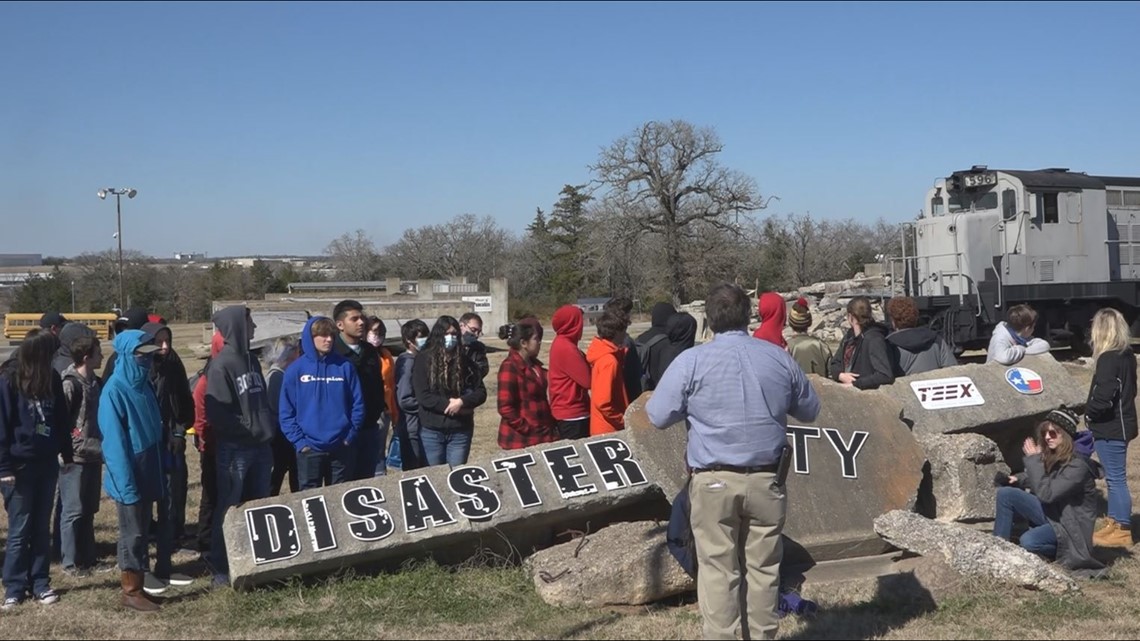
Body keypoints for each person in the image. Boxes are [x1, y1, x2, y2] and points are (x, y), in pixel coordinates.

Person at [647, 283, 820, 640]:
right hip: (766, 480)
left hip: (713, 481)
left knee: (717, 571)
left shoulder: (691, 361)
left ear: (708, 320)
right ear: (748, 316)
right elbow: (810, 410)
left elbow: (657, 415)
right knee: (764, 570)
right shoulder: (778, 357)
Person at [0, 330, 73, 610]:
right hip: (17, 467)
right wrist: (4, 466)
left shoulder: (51, 378)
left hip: (46, 463)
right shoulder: (9, 379)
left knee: (41, 527)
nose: (55, 359)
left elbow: (60, 420)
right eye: (51, 354)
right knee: (20, 528)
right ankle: (15, 586)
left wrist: (65, 452)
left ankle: (40, 581)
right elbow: (2, 427)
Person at [205, 305, 275, 586]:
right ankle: (221, 566)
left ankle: (254, 560)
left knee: (257, 504)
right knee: (230, 506)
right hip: (236, 449)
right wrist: (249, 430)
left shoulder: (252, 361)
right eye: (250, 323)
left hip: (261, 446)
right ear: (235, 327)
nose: (255, 328)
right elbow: (218, 414)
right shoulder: (221, 365)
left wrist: (265, 427)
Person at [992, 409, 1107, 578]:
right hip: (1054, 514)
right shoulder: (1057, 456)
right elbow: (1046, 481)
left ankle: (1064, 553)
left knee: (1028, 541)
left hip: (1070, 527)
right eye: (1044, 433)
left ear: (1065, 435)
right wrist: (1018, 480)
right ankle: (997, 550)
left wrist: (1034, 460)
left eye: (1052, 433)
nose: (1047, 437)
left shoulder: (1079, 467)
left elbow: (1047, 494)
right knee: (1006, 494)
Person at [99, 330, 166, 612]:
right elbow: (114, 445)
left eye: (150, 355)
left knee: (142, 530)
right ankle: (131, 590)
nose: (147, 361)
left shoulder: (144, 385)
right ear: (127, 356)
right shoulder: (114, 390)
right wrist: (126, 485)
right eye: (142, 356)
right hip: (129, 471)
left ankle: (139, 583)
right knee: (132, 533)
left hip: (149, 464)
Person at [279, 317, 364, 489]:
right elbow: (286, 411)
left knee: (340, 497)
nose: (329, 340)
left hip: (341, 446)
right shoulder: (295, 370)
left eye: (332, 335)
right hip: (309, 448)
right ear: (311, 338)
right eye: (323, 336)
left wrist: (349, 436)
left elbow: (358, 403)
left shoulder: (345, 367)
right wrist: (300, 443)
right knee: (310, 501)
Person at [1084, 308, 1136, 548]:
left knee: (1115, 479)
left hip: (1111, 426)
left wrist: (1089, 413)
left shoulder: (1108, 359)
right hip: (1122, 423)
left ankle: (1122, 528)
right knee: (1115, 478)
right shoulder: (1126, 355)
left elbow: (1105, 395)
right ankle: (1114, 522)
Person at [412, 316, 487, 467]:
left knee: (457, 474)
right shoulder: (424, 360)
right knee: (435, 477)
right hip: (432, 430)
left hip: (460, 431)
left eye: (454, 334)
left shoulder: (465, 362)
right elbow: (423, 395)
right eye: (447, 334)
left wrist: (462, 402)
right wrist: (450, 407)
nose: (451, 338)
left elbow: (480, 392)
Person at [59, 334, 104, 577]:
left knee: (89, 510)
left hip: (94, 456)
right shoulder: (70, 384)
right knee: (72, 511)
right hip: (74, 459)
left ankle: (88, 558)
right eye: (98, 353)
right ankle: (69, 563)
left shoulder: (95, 383)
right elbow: (63, 425)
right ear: (87, 358)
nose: (102, 357)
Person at [331, 300, 385, 481]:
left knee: (365, 482)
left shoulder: (370, 351)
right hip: (343, 433)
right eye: (354, 319)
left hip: (369, 429)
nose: (361, 323)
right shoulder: (332, 355)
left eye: (361, 318)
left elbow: (377, 385)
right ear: (340, 325)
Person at [496, 318, 558, 450]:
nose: (540, 342)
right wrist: (527, 429)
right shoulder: (509, 367)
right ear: (524, 343)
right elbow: (505, 407)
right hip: (520, 440)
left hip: (543, 435)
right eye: (536, 339)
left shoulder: (535, 366)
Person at [828, 296, 894, 390]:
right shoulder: (849, 337)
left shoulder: (874, 339)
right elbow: (835, 363)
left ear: (850, 317)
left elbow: (885, 375)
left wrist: (857, 384)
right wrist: (840, 375)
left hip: (867, 395)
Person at [884, 296, 957, 376]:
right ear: (916, 317)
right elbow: (952, 369)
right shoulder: (936, 339)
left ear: (893, 321)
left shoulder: (889, 345)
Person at [548, 305, 592, 440]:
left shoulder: (562, 343)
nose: (582, 326)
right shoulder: (566, 348)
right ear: (573, 325)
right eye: (580, 321)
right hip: (572, 413)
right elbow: (588, 380)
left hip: (569, 411)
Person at [264, 336, 300, 495]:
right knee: (279, 472)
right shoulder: (276, 376)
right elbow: (277, 407)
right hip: (280, 434)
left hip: (282, 432)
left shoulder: (280, 374)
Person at [587, 310, 630, 436]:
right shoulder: (609, 361)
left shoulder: (602, 353)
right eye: (624, 330)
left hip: (601, 426)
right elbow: (603, 402)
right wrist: (622, 420)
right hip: (609, 429)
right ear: (617, 332)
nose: (626, 334)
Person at [394, 320, 429, 471]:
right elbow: (404, 399)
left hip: (422, 426)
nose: (425, 340)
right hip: (412, 428)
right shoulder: (408, 363)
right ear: (409, 340)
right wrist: (429, 406)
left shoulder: (420, 359)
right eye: (421, 337)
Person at [366, 316, 399, 476]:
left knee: (379, 451)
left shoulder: (385, 354)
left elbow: (391, 384)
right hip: (366, 409)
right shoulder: (361, 354)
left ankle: (380, 479)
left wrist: (393, 413)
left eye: (380, 332)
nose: (376, 335)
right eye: (373, 331)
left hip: (384, 410)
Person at [986, 304, 1050, 365]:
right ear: (1027, 329)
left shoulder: (1021, 337)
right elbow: (1003, 357)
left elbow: (1045, 345)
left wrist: (1025, 350)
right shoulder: (1000, 337)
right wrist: (1021, 349)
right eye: (1033, 327)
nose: (1034, 330)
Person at [785, 298, 831, 376]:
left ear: (790, 323)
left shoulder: (786, 347)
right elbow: (831, 373)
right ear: (809, 322)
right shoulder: (822, 345)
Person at [459, 312, 490, 380]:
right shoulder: (451, 346)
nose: (476, 334)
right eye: (473, 330)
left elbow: (482, 370)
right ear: (461, 326)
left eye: (479, 332)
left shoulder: (479, 348)